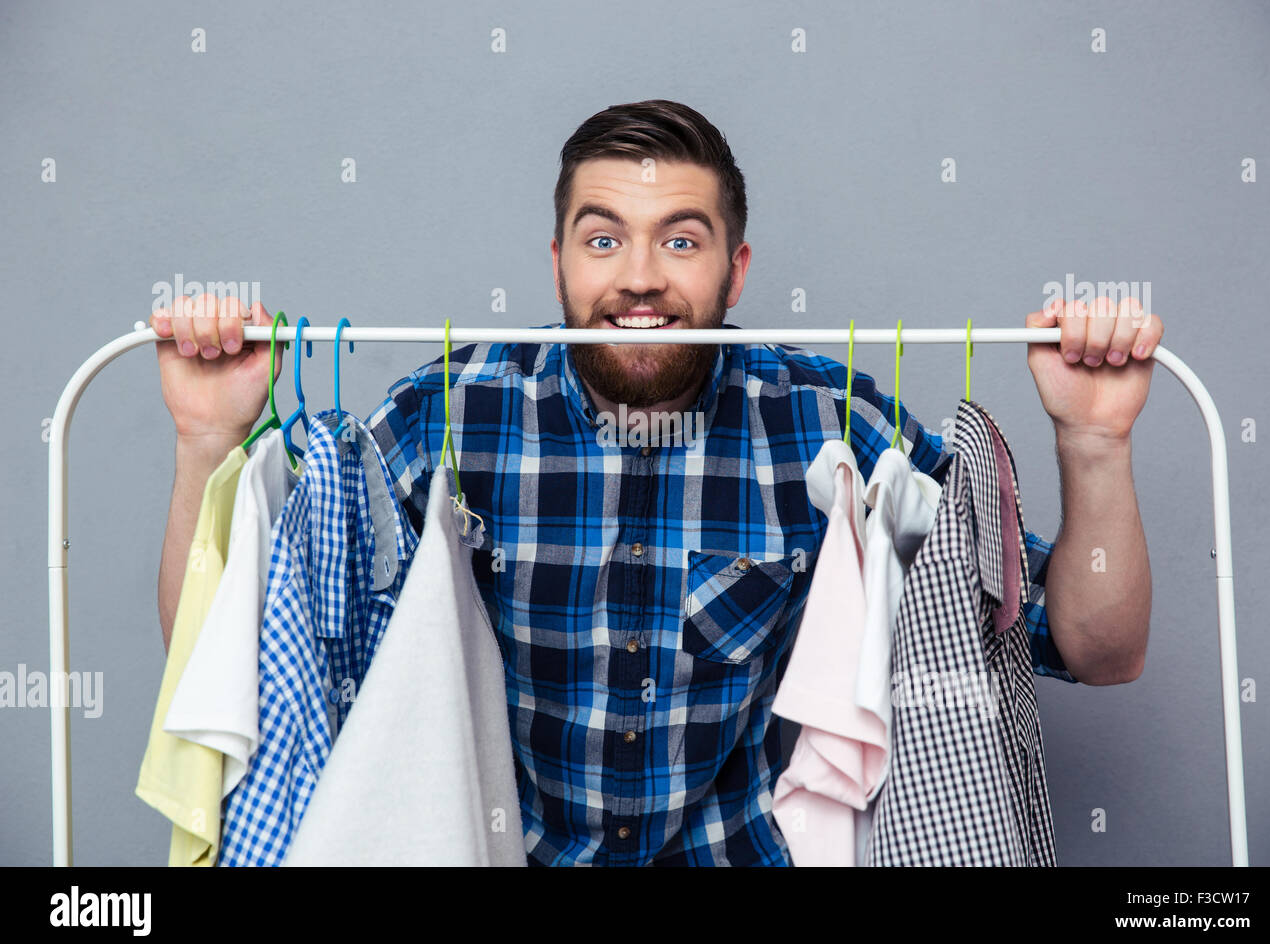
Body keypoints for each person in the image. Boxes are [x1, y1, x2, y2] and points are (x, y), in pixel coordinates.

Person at [152, 99, 1159, 865]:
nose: (638, 276)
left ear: (736, 266)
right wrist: (208, 439)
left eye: (680, 237)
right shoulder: (448, 415)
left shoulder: (827, 423)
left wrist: (1091, 438)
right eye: (603, 238)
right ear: (556, 262)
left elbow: (1091, 647)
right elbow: (224, 652)